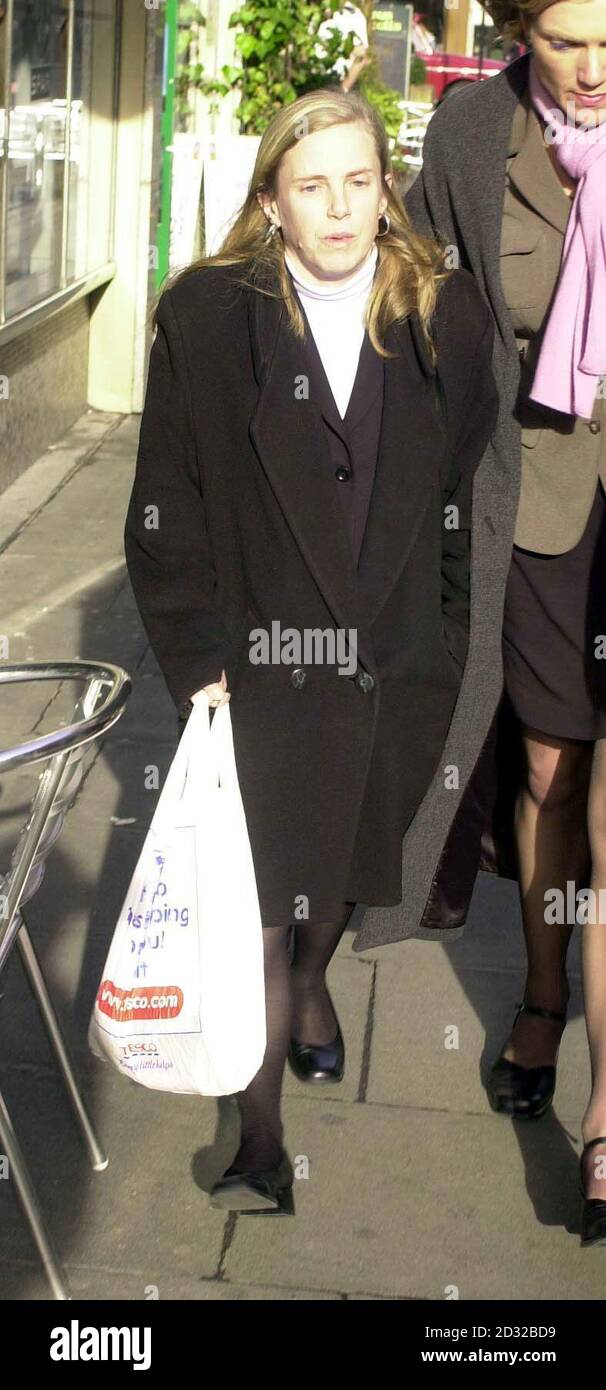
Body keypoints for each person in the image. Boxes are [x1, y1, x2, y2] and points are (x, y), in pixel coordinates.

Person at [123, 86, 498, 1215]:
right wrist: (198, 661)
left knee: (334, 878)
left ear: (387, 186)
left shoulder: (450, 314)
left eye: (359, 179)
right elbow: (164, 504)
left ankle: (313, 985)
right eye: (310, 185)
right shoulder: (204, 317)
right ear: (272, 203)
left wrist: (441, 639)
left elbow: (457, 487)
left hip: (391, 661)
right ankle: (259, 1134)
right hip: (260, 660)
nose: (339, 209)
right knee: (260, 897)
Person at [405, 0, 606, 1247]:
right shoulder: (474, 135)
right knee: (548, 766)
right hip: (535, 500)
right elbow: (420, 295)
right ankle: (543, 991)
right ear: (520, 32)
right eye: (572, 39)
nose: (599, 66)